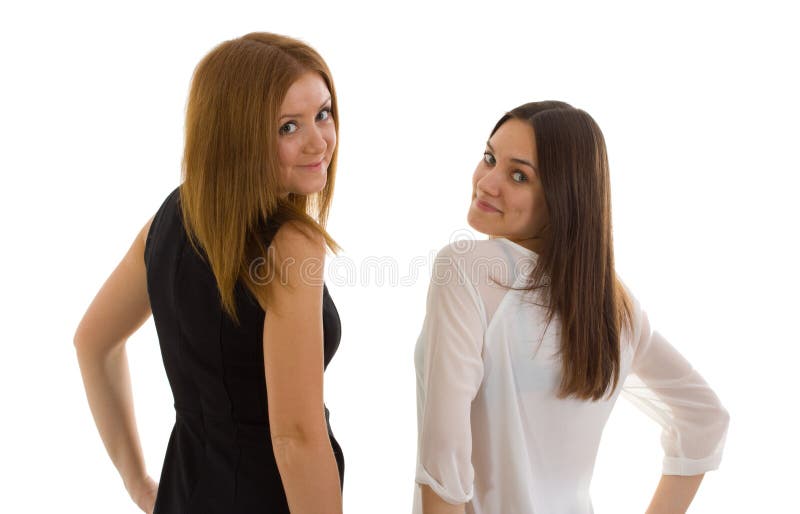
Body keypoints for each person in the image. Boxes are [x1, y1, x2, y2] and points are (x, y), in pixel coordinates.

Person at [413, 101, 729, 514]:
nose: (487, 182)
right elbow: (704, 417)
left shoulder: (465, 270)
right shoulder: (613, 305)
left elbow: (445, 470)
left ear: (562, 197)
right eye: (490, 157)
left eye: (519, 175)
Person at [74, 32, 344, 514]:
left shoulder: (168, 221)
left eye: (322, 114)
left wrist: (138, 483)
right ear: (236, 133)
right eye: (287, 127)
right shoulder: (292, 245)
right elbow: (296, 438)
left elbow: (92, 342)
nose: (318, 141)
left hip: (184, 493)